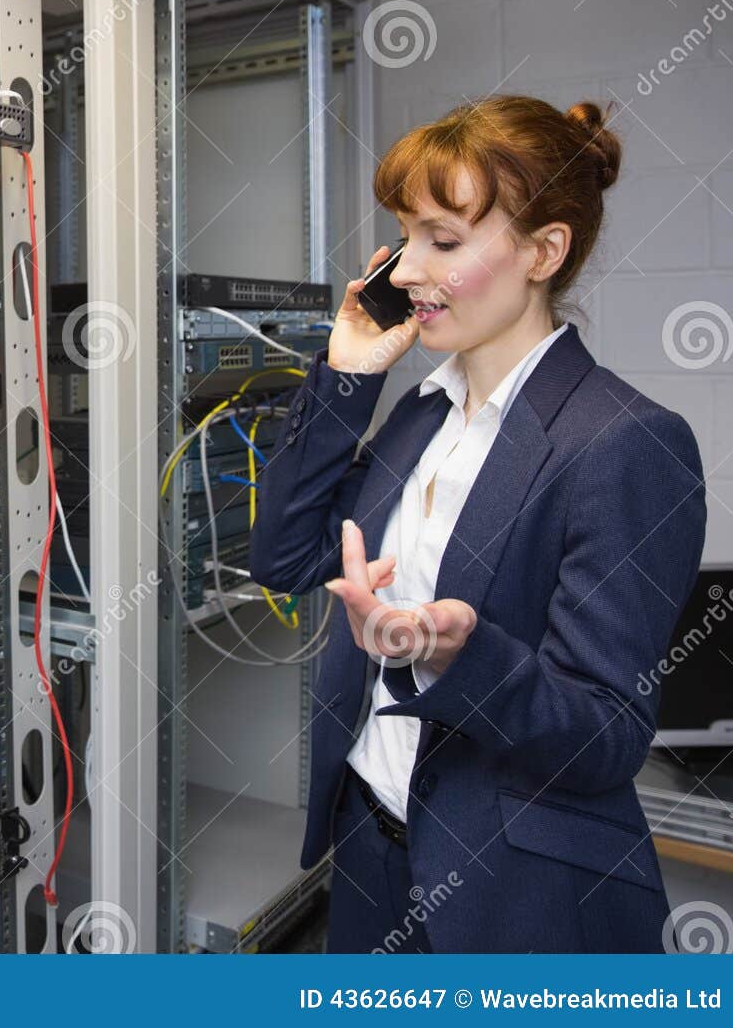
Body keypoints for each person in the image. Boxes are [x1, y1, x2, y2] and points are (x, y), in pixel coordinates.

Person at [248, 95, 707, 953]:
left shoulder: (625, 442)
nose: (404, 271)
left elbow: (605, 736)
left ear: (543, 251)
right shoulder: (420, 416)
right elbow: (282, 556)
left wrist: (457, 654)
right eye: (405, 237)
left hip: (512, 898)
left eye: (444, 241)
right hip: (368, 851)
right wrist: (348, 373)